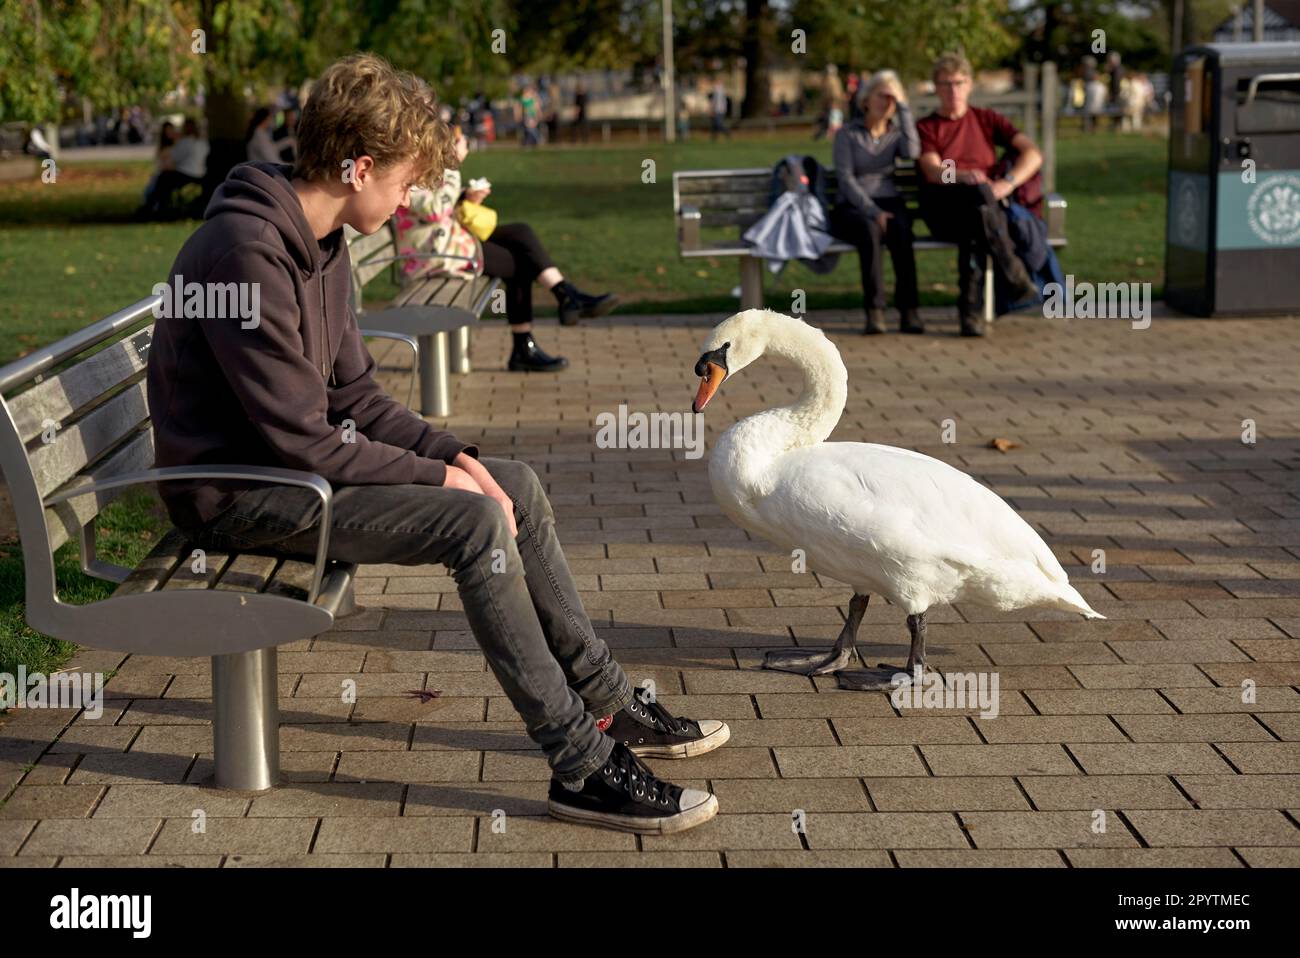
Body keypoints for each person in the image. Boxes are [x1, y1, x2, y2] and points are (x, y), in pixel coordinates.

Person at [147, 53, 727, 834]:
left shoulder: (320, 244)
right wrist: (445, 485)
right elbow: (304, 439)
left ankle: (612, 705)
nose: (412, 197)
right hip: (236, 497)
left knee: (509, 483)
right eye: (403, 180)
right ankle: (581, 768)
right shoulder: (244, 255)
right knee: (475, 522)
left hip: (290, 472)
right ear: (357, 168)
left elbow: (354, 396)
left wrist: (456, 457)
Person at [395, 128, 618, 372]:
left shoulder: (412, 162)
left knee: (521, 233)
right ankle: (539, 329)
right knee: (521, 264)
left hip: (448, 243)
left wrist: (464, 197)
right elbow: (435, 208)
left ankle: (565, 296)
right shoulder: (401, 167)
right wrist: (452, 165)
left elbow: (434, 207)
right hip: (435, 257)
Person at [916, 52, 1042, 337]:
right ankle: (1014, 277)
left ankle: (971, 315)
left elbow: (1033, 154)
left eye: (959, 83)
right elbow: (934, 172)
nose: (953, 90)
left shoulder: (986, 119)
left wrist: (1007, 184)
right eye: (946, 84)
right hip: (943, 208)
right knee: (977, 201)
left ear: (970, 84)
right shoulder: (927, 127)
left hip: (983, 210)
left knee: (976, 224)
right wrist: (963, 176)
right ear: (936, 88)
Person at [829, 70, 921, 335]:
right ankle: (875, 310)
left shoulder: (895, 134)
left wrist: (903, 107)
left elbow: (913, 152)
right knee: (869, 232)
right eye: (882, 96)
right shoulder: (847, 134)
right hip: (853, 205)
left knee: (902, 230)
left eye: (892, 98)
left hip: (890, 200)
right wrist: (873, 210)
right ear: (866, 100)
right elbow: (846, 180)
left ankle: (909, 310)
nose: (886, 103)